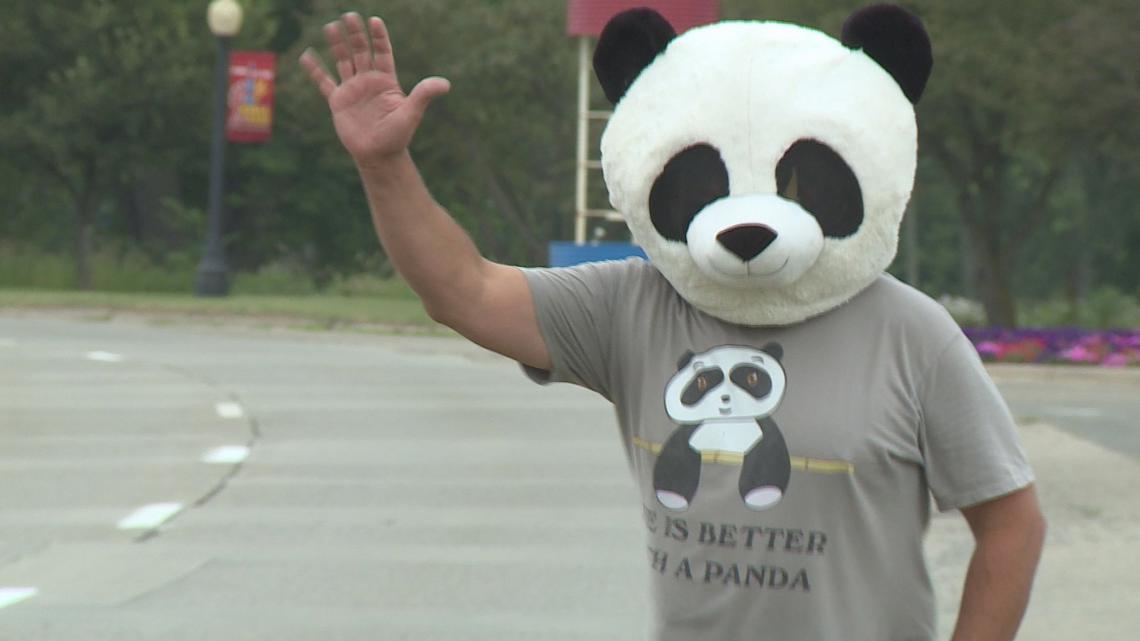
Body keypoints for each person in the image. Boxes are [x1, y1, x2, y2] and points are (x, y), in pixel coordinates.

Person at [300, 11, 1046, 640]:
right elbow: (462, 290)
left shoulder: (914, 337)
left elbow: (1011, 523)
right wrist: (385, 166)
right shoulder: (633, 306)